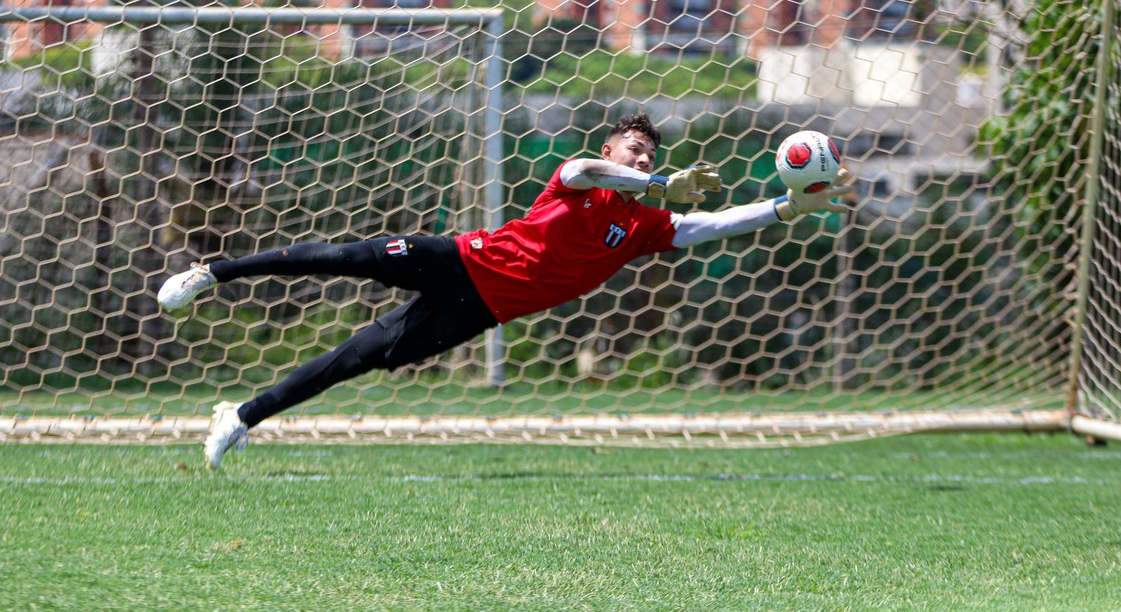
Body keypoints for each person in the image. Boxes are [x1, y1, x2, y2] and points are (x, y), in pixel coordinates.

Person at [158, 113, 853, 469]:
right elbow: (582, 169)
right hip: (457, 260)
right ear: (613, 152)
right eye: (632, 150)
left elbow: (710, 225)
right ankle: (211, 274)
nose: (642, 157)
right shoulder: (583, 177)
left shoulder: (641, 226)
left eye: (651, 153)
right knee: (344, 256)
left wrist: (788, 208)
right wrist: (654, 181)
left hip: (481, 309)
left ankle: (241, 417)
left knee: (357, 356)